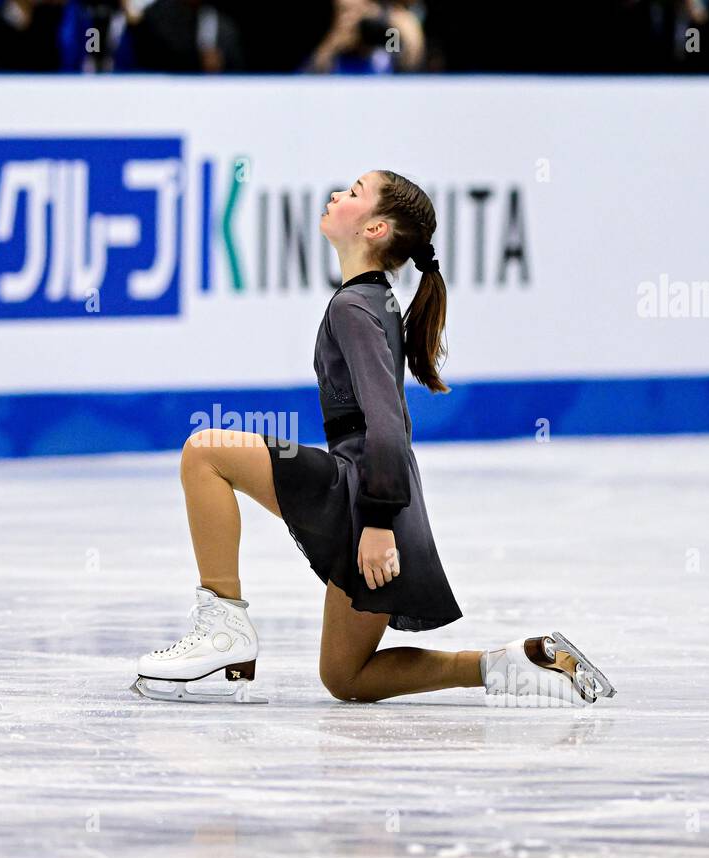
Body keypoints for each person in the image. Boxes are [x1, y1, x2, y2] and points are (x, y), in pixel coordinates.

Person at [132, 169, 616, 707]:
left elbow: (387, 422)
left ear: (376, 228)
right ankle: (512, 663)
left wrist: (378, 524)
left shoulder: (354, 307)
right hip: (382, 503)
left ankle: (225, 632)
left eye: (355, 193)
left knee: (205, 453)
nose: (337, 193)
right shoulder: (372, 299)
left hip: (366, 497)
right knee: (346, 677)